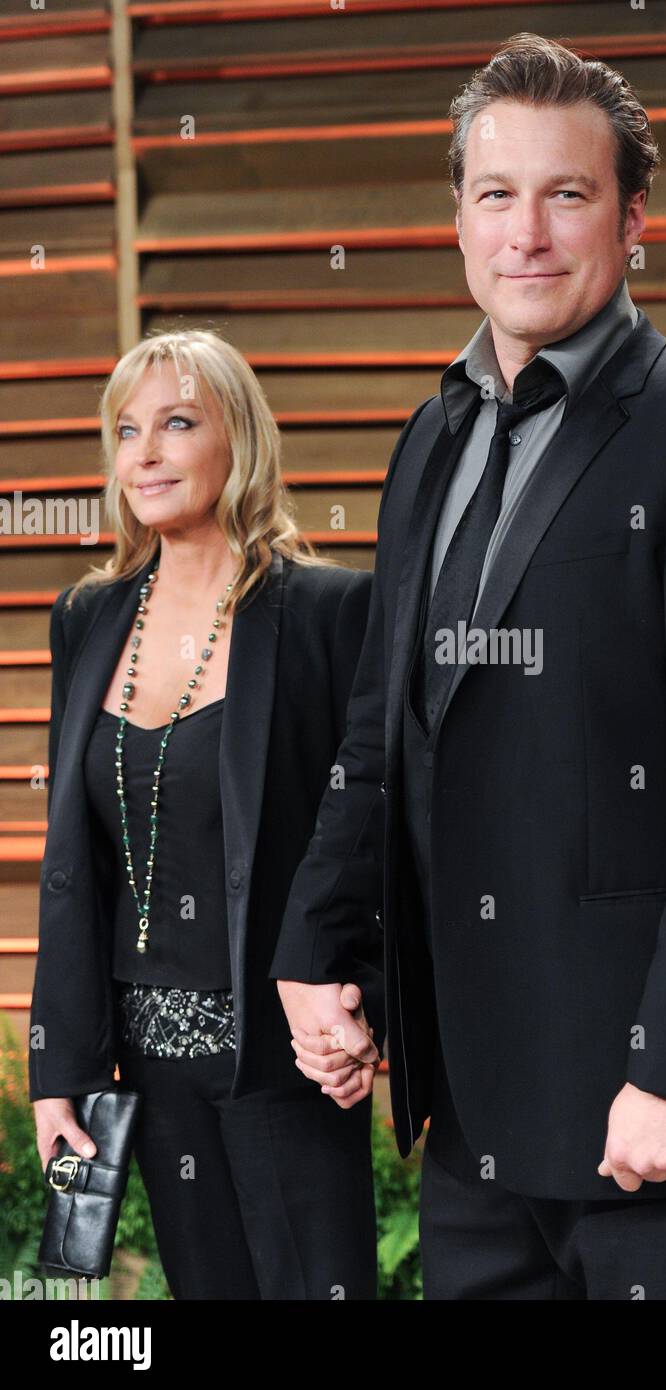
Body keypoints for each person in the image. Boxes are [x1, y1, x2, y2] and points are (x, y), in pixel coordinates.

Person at [272, 33, 666, 1300]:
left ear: (633, 217)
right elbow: (379, 727)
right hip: (474, 1109)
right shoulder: (430, 436)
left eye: (566, 194)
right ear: (457, 217)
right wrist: (316, 945)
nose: (525, 232)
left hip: (655, 1117)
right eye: (495, 194)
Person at [30, 328, 383, 1300]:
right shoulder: (86, 619)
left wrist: (366, 1009)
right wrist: (57, 1064)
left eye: (177, 422)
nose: (143, 451)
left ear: (240, 441)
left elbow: (374, 831)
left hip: (284, 1057)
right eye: (127, 428)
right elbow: (73, 863)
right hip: (144, 1066)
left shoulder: (324, 611)